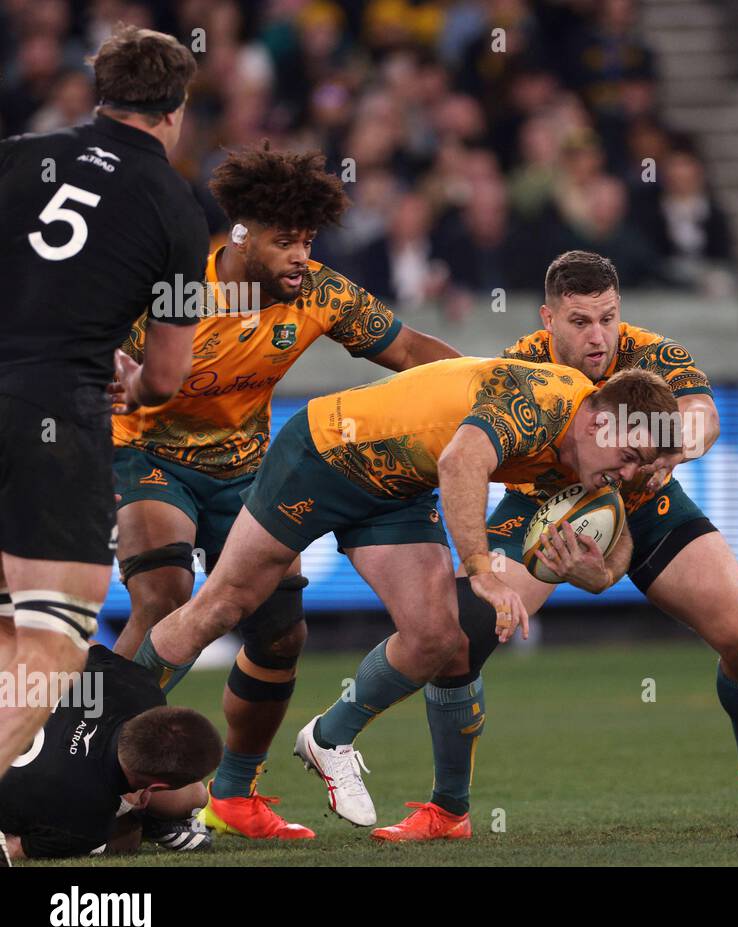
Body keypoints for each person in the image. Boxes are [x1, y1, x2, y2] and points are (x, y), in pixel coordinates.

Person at [331, 250, 738, 842]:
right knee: (458, 639)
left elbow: (703, 416)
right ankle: (449, 810)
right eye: (580, 321)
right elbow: (472, 450)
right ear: (548, 319)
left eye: (608, 318)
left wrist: (671, 445)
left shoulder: (655, 355)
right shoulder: (520, 365)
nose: (598, 336)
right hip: (545, 511)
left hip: (648, 508)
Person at [134, 356, 680, 828]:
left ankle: (327, 739)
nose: (626, 474)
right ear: (601, 420)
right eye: (628, 457)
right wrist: (483, 573)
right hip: (324, 455)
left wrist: (603, 577)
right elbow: (460, 461)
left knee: (439, 636)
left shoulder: (593, 451)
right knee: (223, 606)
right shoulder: (537, 401)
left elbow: (620, 525)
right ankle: (98, 729)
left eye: (639, 465)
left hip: (398, 491)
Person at [110, 143, 459, 841]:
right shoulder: (175, 286)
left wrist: (494, 386)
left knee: (281, 635)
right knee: (165, 598)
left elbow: (415, 354)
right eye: (284, 241)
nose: (301, 256)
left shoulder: (321, 294)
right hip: (146, 454)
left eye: (307, 240)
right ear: (241, 235)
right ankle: (91, 761)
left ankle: (235, 797)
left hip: (245, 468)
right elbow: (89, 344)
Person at [0, 25, 207, 777]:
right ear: (175, 111)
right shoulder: (178, 211)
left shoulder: (19, 154)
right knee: (53, 636)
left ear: (99, 90)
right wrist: (127, 371)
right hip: (54, 418)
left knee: (5, 623)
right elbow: (166, 376)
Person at [0, 645, 222, 862]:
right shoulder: (86, 824)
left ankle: (147, 821)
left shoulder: (139, 687)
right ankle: (147, 821)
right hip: (72, 801)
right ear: (153, 789)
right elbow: (13, 849)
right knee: (190, 801)